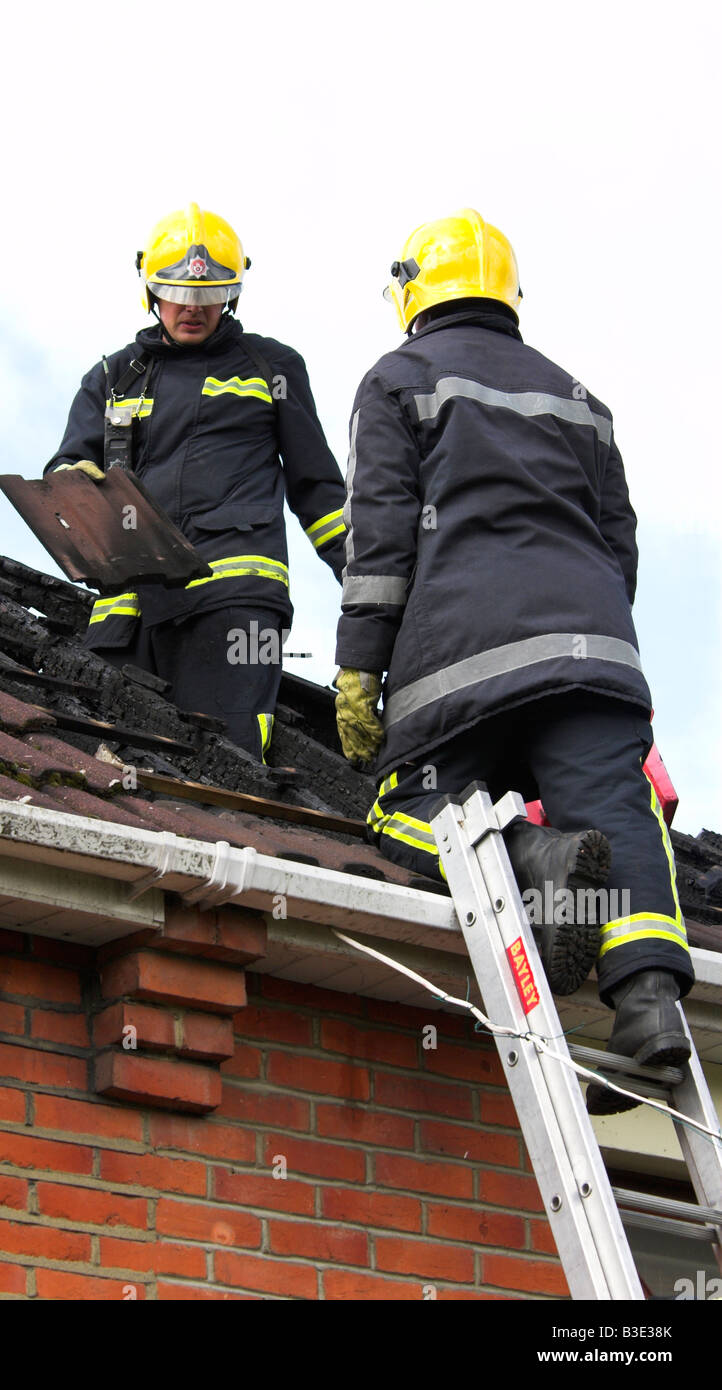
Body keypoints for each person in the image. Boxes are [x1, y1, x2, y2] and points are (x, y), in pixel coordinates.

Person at [333, 209, 693, 1113]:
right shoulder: (580, 396)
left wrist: (358, 668)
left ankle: (532, 854)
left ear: (414, 290)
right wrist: (586, 641)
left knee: (409, 806)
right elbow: (621, 544)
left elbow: (380, 539)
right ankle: (649, 1012)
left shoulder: (398, 379)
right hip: (594, 650)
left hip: (461, 660)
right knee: (619, 807)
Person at [46, 203, 346, 761]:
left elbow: (319, 490)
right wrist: (73, 486)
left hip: (233, 603)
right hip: (128, 608)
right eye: (176, 292)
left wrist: (372, 590)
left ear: (231, 294)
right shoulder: (111, 377)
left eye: (208, 296)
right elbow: (66, 470)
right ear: (150, 290)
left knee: (226, 767)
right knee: (103, 763)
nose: (191, 307)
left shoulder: (270, 367)